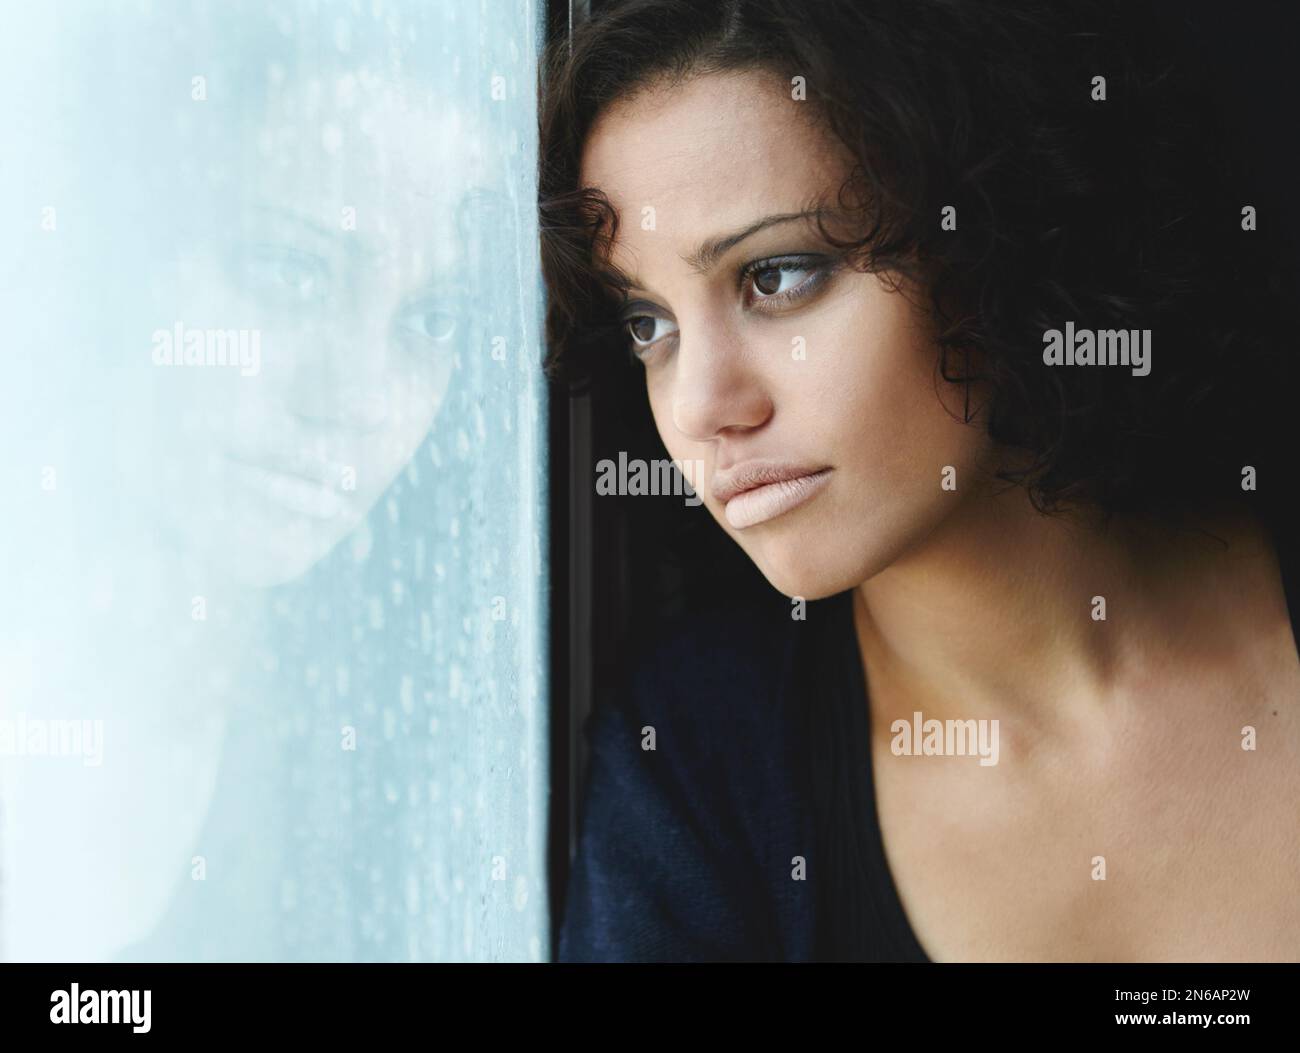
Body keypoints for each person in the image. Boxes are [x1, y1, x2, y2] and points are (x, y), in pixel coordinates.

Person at [539, 0, 1300, 961]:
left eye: (777, 276)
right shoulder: (696, 774)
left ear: (989, 233)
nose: (698, 406)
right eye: (649, 322)